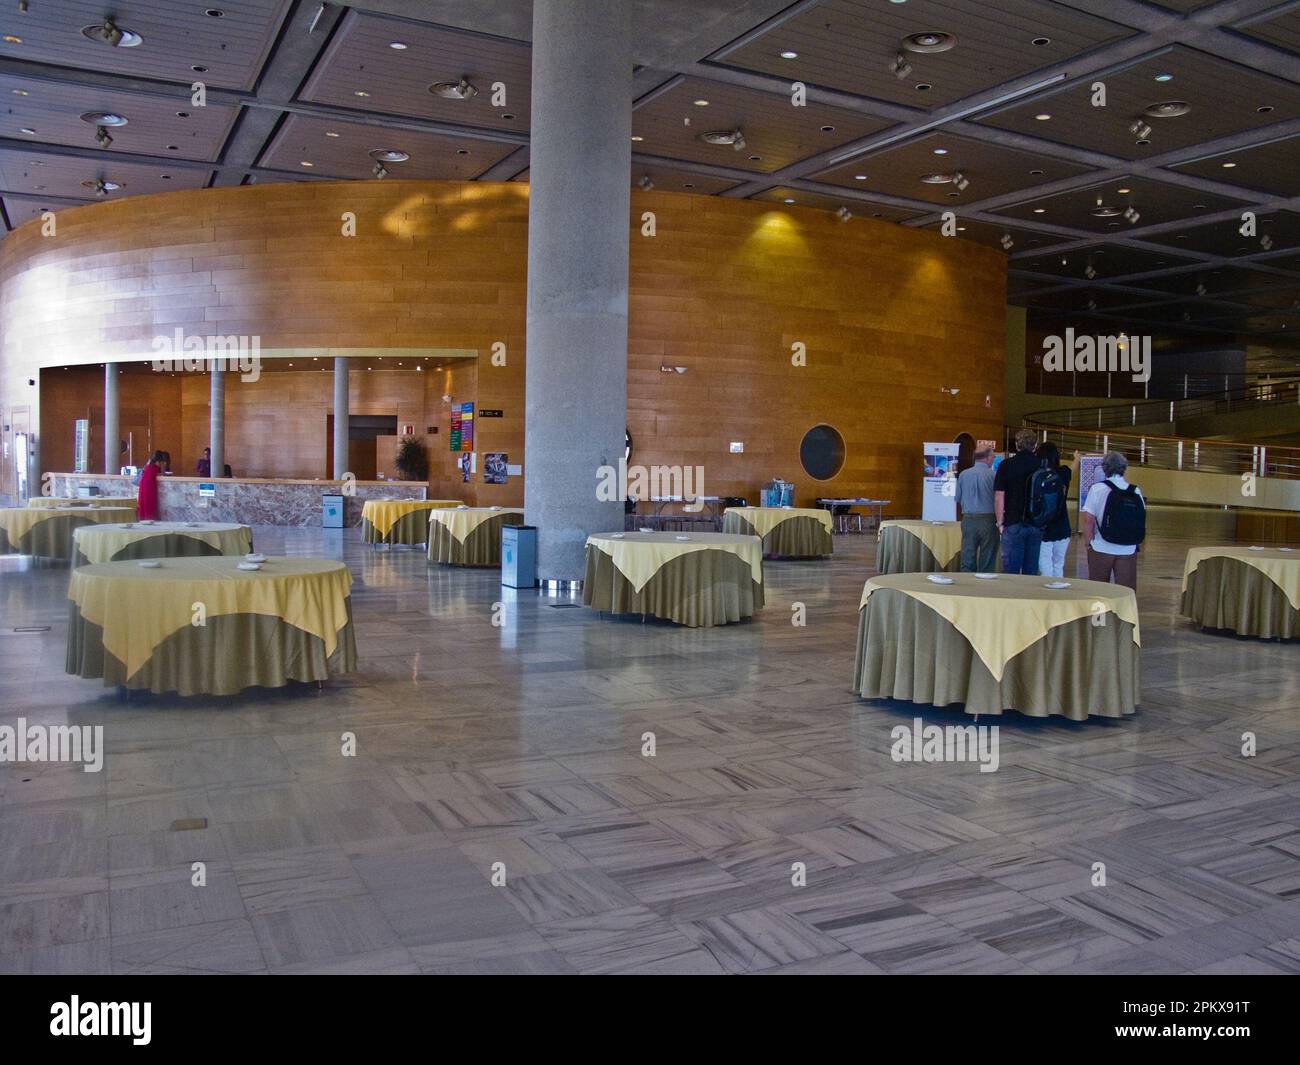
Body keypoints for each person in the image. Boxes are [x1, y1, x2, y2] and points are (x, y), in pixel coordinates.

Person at [1081, 450, 1144, 591]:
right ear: (1124, 469)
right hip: (1128, 548)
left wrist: (1088, 544)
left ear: (1104, 469)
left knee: (1098, 591)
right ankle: (1124, 613)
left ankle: (1099, 614)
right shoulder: (1135, 491)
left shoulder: (1097, 489)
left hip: (1101, 546)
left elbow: (1089, 521)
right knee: (1126, 592)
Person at [994, 428, 1043, 575]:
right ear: (1035, 445)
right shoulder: (1042, 464)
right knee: (1031, 570)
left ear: (1017, 445)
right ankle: (1028, 597)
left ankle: (1011, 597)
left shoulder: (1007, 465)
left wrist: (1000, 522)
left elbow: (999, 495)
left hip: (1013, 521)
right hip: (1036, 522)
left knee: (1011, 570)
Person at [955, 447, 998, 572]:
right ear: (987, 458)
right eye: (993, 457)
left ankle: (967, 586)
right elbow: (998, 498)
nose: (993, 459)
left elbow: (957, 498)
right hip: (989, 520)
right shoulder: (994, 475)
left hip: (968, 520)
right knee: (988, 559)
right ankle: (984, 588)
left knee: (967, 557)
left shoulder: (963, 474)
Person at [1034, 442, 1072, 578]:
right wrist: (1077, 459)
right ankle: (1059, 591)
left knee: (1045, 563)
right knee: (1058, 564)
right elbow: (1071, 469)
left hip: (1044, 525)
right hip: (1062, 525)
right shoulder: (1064, 472)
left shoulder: (1038, 475)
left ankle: (1047, 591)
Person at [136, 450, 166, 520]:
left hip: (144, 482)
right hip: (149, 483)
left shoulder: (149, 462)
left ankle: (143, 518)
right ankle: (149, 518)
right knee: (149, 500)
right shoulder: (158, 463)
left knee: (144, 500)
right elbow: (162, 473)